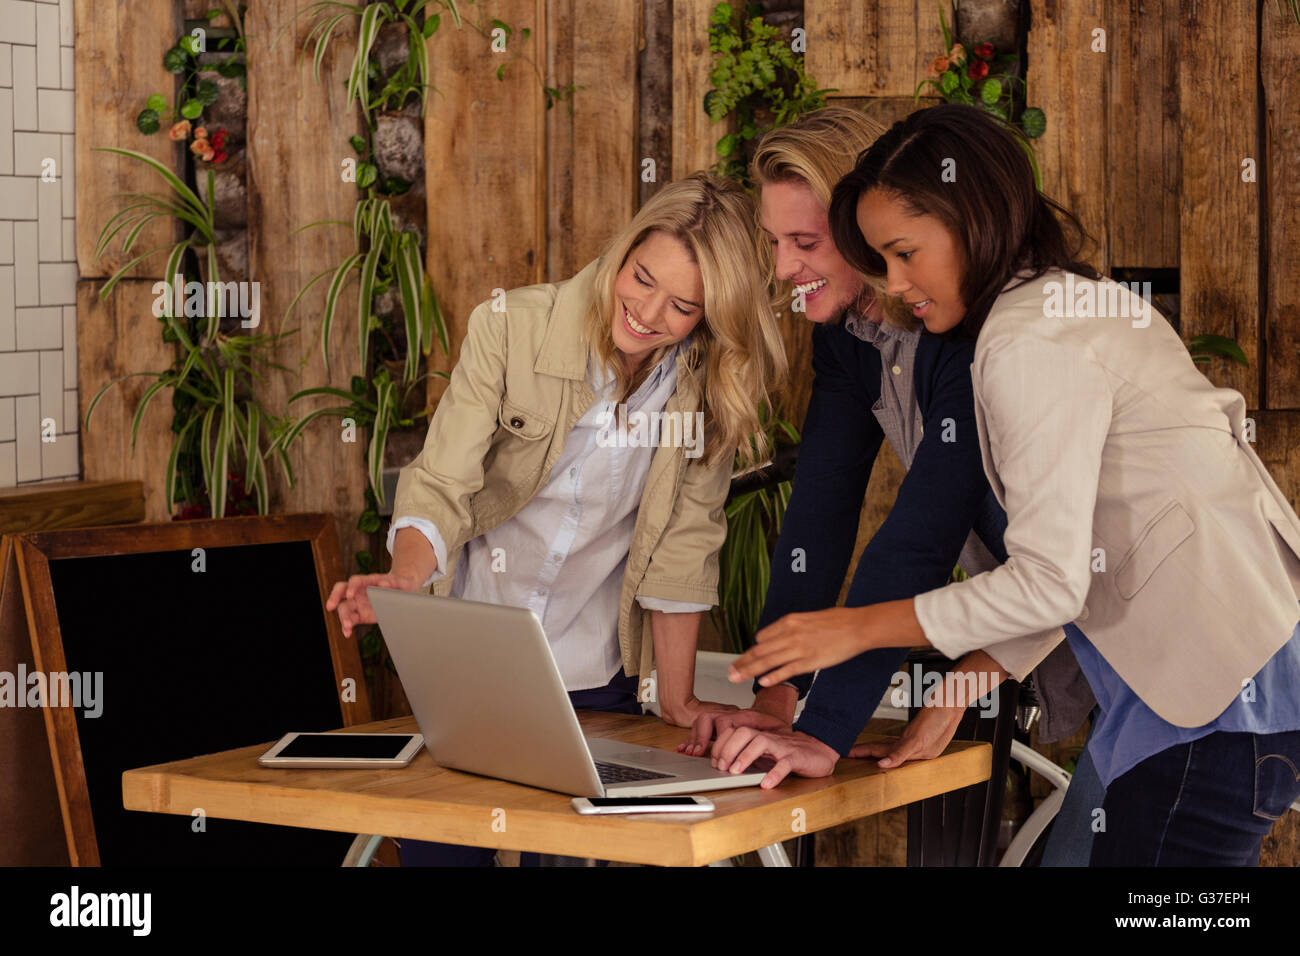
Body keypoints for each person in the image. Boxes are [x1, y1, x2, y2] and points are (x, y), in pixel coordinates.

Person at [725, 103, 1300, 866]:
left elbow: (1032, 576)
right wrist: (942, 693)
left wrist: (853, 633)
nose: (894, 282)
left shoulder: (1020, 343)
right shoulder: (1050, 310)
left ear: (971, 222)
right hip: (1214, 693)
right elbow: (1071, 560)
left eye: (902, 253)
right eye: (880, 258)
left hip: (1212, 698)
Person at [325, 172, 788, 865]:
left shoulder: (707, 388)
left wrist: (680, 700)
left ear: (712, 313)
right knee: (443, 851)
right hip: (475, 657)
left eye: (682, 305)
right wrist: (405, 577)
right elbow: (443, 479)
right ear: (625, 249)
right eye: (641, 277)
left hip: (599, 671)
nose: (647, 311)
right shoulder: (512, 327)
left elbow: (685, 546)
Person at [683, 108, 1096, 823]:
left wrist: (823, 728)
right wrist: (778, 692)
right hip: (1050, 612)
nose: (783, 269)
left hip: (1128, 632)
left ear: (863, 224)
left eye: (806, 242)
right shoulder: (848, 335)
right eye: (774, 242)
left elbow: (920, 536)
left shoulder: (979, 338)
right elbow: (820, 510)